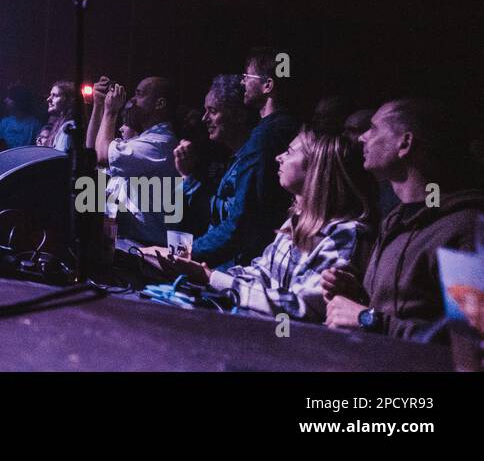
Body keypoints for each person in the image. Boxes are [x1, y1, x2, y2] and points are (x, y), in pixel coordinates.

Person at [147, 127, 377, 322]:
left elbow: (300, 309)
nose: (279, 157)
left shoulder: (344, 234)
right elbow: (262, 273)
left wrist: (210, 278)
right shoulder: (296, 220)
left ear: (317, 168)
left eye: (289, 151)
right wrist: (203, 274)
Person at [323, 99, 484, 341]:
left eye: (373, 128)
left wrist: (368, 319)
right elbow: (403, 310)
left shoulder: (465, 227)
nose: (362, 138)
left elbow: (471, 343)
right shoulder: (393, 221)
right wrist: (356, 296)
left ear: (405, 143)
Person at [176, 51, 298, 268]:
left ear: (267, 85)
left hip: (238, 269)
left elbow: (242, 222)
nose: (242, 82)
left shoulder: (265, 138)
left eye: (247, 77)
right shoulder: (276, 131)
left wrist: (186, 253)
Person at [94, 76, 179, 245]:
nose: (132, 100)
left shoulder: (159, 143)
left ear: (159, 104)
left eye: (139, 94)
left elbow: (102, 155)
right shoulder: (143, 139)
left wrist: (111, 111)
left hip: (144, 246)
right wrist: (98, 105)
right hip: (131, 241)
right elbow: (93, 151)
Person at [0, 84, 43, 148]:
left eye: (9, 97)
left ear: (18, 101)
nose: (5, 100)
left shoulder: (34, 125)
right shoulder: (5, 122)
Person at [36, 81, 75, 152]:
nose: (48, 99)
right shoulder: (60, 125)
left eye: (55, 95)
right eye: (50, 95)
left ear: (69, 100)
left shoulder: (69, 126)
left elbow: (59, 159)